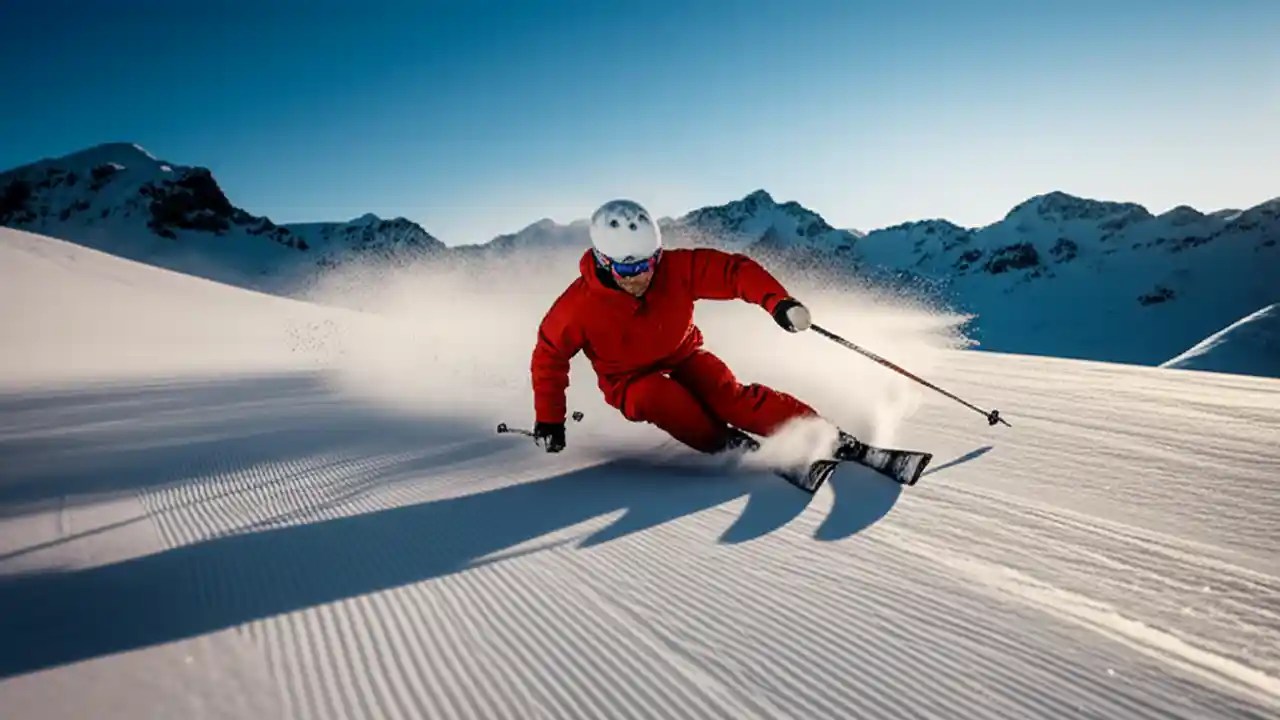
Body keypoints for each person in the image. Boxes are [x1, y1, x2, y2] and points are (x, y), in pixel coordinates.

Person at [530, 198, 846, 457]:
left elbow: (732, 272)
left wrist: (779, 303)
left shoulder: (674, 269)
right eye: (628, 268)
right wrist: (550, 420)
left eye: (647, 263)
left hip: (681, 354)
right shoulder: (578, 306)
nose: (640, 276)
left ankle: (815, 431)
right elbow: (549, 357)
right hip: (628, 379)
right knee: (663, 399)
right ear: (603, 261)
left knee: (726, 395)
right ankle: (724, 444)